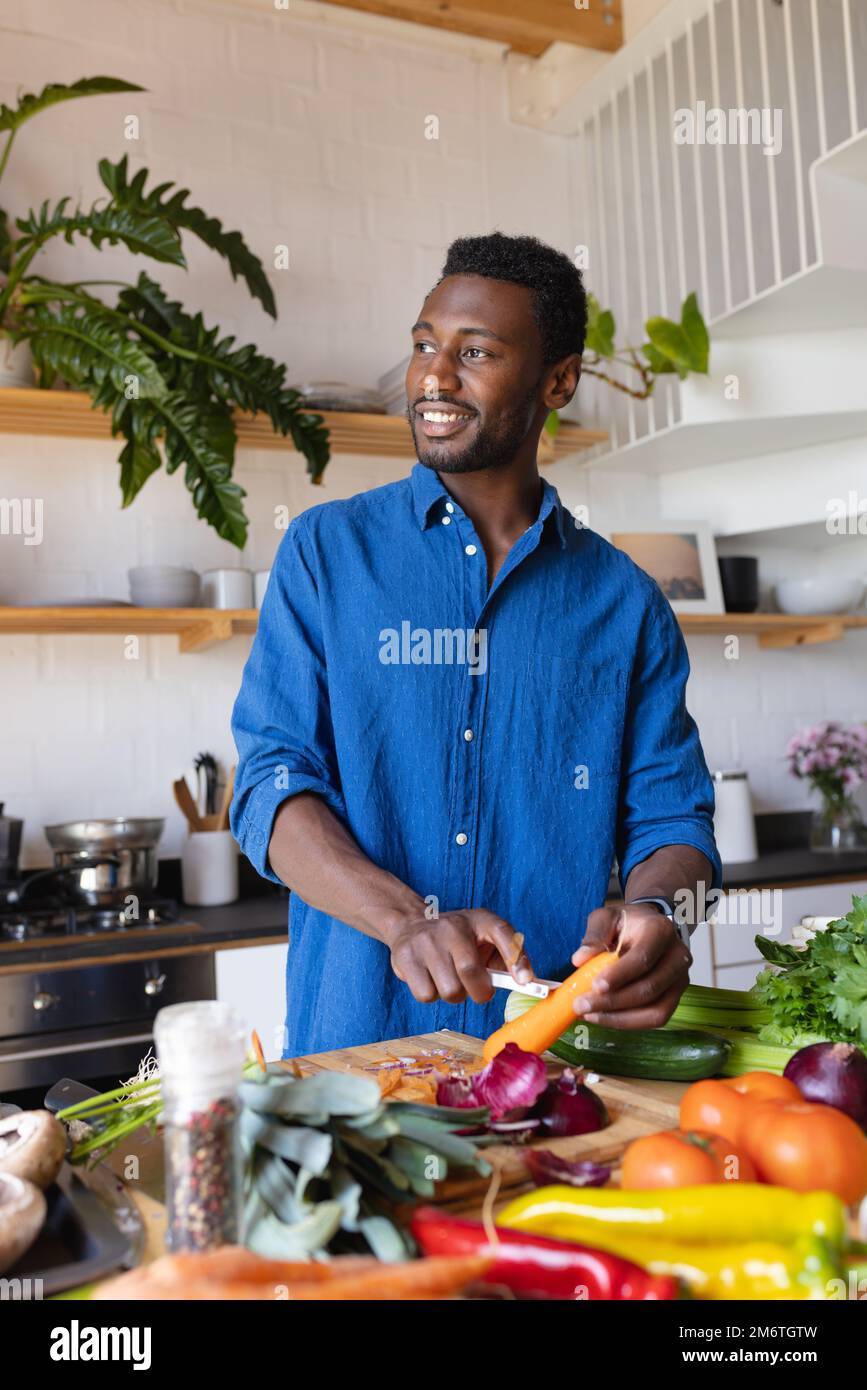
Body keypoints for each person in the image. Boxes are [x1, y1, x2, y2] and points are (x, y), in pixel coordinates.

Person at [230, 231, 721, 1058]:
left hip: (548, 1065)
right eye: (424, 344)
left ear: (557, 380)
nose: (433, 375)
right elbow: (269, 790)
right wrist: (402, 921)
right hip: (351, 1057)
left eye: (475, 351)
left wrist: (666, 915)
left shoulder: (625, 603)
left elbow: (677, 824)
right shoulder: (324, 553)